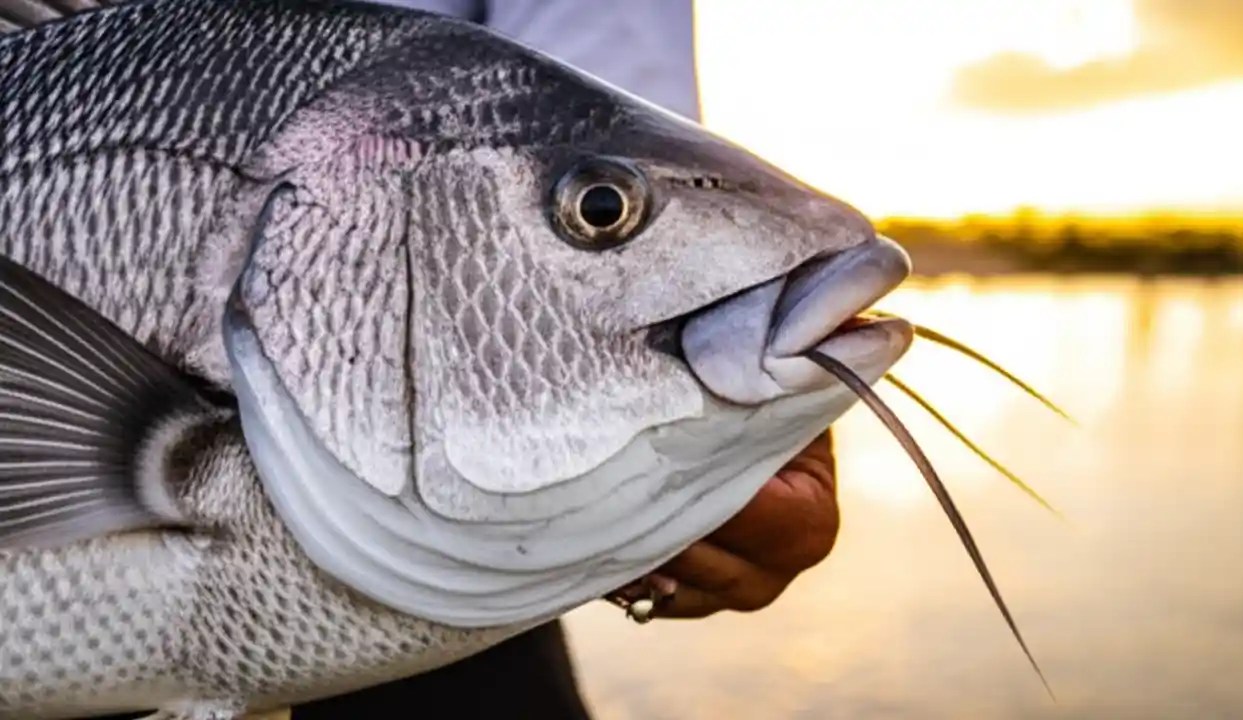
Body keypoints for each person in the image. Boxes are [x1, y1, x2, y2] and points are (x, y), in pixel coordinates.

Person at [84, 1, 842, 717]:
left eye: (600, 210)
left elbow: (590, 118)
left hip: (452, 587)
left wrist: (724, 349)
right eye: (601, 211)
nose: (602, 214)